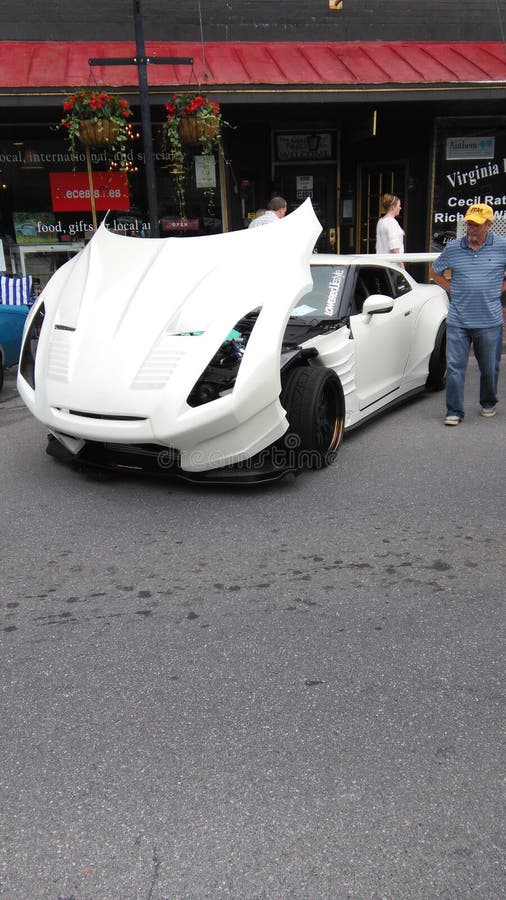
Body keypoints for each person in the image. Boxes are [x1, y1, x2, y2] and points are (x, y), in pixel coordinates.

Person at [429, 203, 506, 426]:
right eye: (469, 223)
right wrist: (450, 288)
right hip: (458, 320)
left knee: (489, 368)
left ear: (489, 225)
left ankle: (488, 402)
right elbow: (434, 271)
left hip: (489, 320)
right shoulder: (453, 248)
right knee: (454, 367)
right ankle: (454, 410)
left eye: (477, 225)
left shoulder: (501, 246)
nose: (471, 228)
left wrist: (500, 287)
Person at [376, 194, 405, 265]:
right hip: (392, 264)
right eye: (399, 206)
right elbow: (394, 245)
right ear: (393, 207)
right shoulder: (391, 222)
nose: (400, 208)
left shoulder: (381, 221)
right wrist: (401, 264)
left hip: (382, 261)